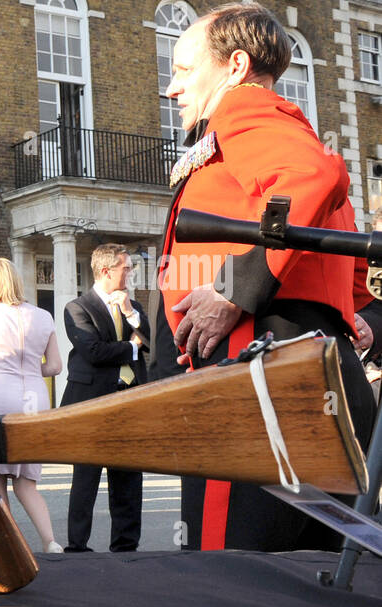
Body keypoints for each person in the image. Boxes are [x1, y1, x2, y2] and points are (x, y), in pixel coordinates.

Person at [150, 2, 373, 550]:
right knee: (312, 593)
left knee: (233, 587)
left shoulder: (247, 115)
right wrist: (355, 320)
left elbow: (314, 177)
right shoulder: (271, 133)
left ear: (235, 67)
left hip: (258, 387)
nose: (171, 89)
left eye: (182, 70)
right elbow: (346, 273)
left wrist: (234, 289)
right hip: (299, 384)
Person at [0, 259, 63, 554]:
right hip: (34, 398)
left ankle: (12, 546)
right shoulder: (44, 317)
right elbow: (56, 366)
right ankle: (51, 541)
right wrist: (32, 370)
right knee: (26, 482)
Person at [60, 244, 148, 553]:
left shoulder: (133, 306)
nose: (131, 273)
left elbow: (150, 341)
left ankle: (126, 545)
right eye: (126, 268)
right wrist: (133, 347)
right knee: (86, 477)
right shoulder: (77, 308)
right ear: (107, 271)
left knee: (128, 476)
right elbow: (93, 351)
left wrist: (129, 314)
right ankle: (77, 546)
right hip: (91, 403)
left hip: (130, 401)